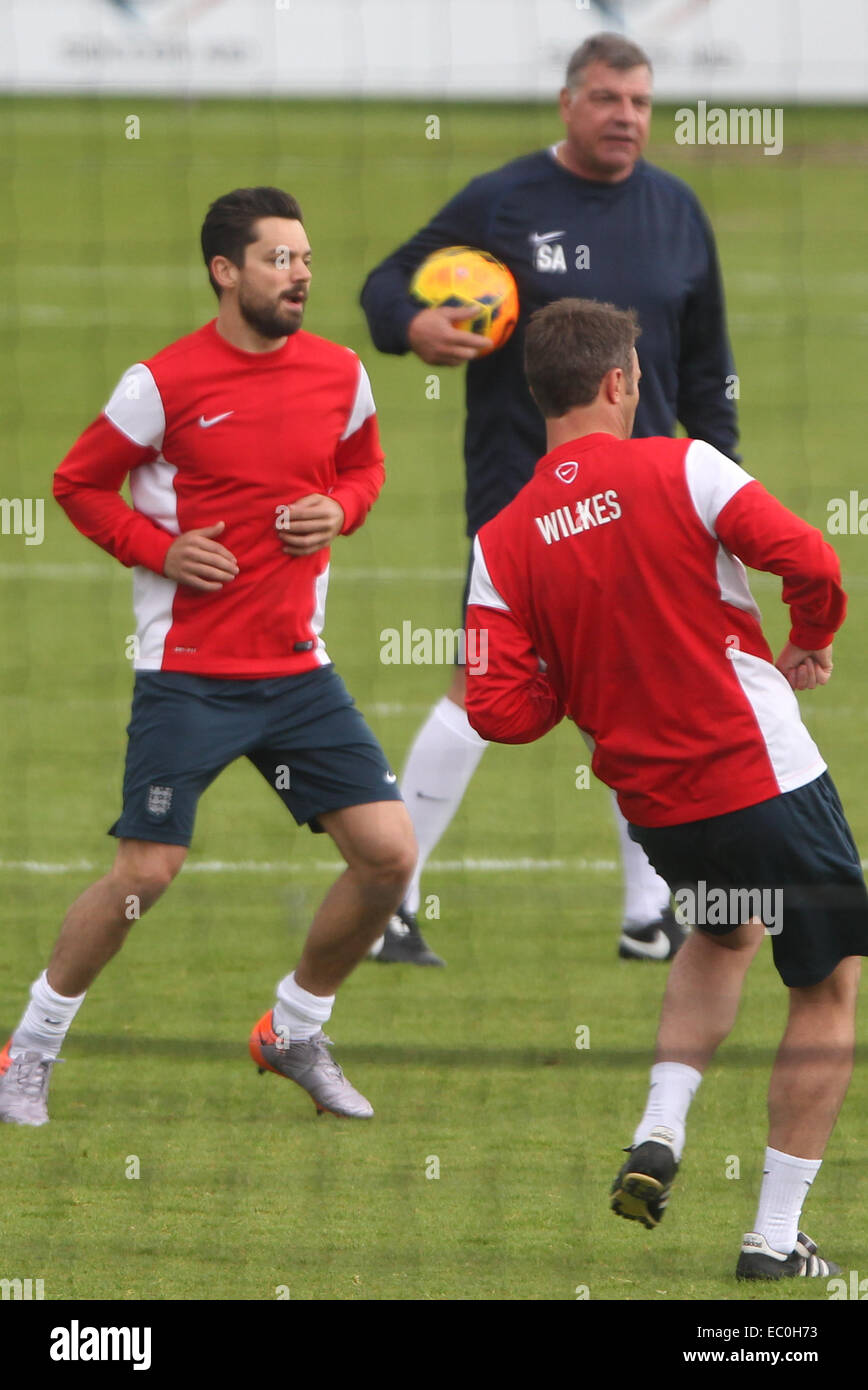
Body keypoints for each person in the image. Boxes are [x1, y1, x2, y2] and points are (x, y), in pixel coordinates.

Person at [463, 295, 867, 1279]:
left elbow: (494, 707)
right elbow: (808, 557)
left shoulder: (501, 537)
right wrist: (809, 637)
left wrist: (578, 679)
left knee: (726, 930)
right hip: (763, 777)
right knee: (827, 987)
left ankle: (660, 1128)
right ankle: (774, 1238)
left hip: (661, 810)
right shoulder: (683, 463)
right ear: (617, 383)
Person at [0, 186, 416, 1128]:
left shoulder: (342, 373)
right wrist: (159, 550)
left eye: (306, 259)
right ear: (226, 271)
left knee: (389, 856)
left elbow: (366, 467)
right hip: (189, 674)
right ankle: (29, 1047)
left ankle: (296, 1029)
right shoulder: (162, 384)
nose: (300, 274)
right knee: (146, 875)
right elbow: (77, 483)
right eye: (280, 259)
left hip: (299, 672)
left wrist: (342, 509)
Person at [361, 31, 739, 966]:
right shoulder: (503, 201)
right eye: (609, 98)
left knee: (645, 696)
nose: (627, 118)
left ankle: (648, 916)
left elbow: (706, 371)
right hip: (523, 500)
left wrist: (721, 489)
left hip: (646, 505)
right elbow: (381, 284)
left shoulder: (678, 212)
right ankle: (389, 903)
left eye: (642, 102)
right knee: (480, 684)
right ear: (569, 103)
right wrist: (413, 325)